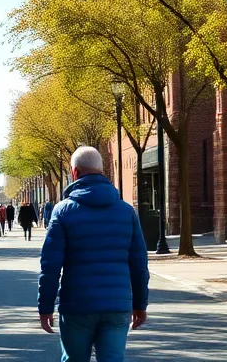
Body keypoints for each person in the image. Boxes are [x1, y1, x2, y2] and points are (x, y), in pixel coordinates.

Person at [38, 145, 149, 362]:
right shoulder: (126, 211)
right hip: (117, 304)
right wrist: (140, 304)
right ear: (101, 170)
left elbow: (50, 266)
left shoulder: (63, 211)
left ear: (75, 172)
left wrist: (45, 306)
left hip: (77, 305)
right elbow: (139, 264)